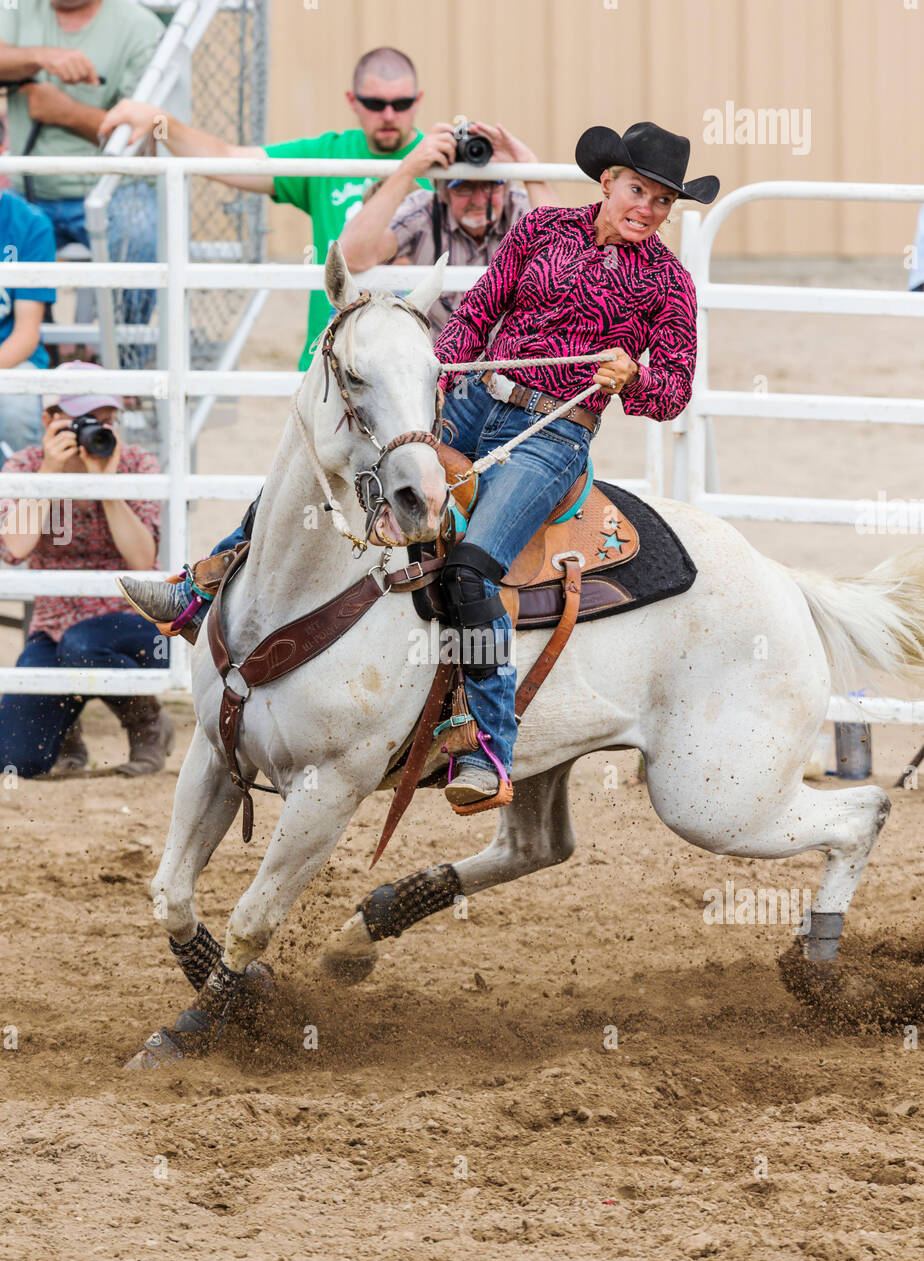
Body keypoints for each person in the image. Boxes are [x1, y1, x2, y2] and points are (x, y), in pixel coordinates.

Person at [117, 122, 717, 812]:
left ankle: (489, 742)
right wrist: (431, 381)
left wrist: (630, 377)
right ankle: (203, 584)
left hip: (552, 436)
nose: (647, 209)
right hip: (471, 398)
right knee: (331, 465)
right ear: (609, 182)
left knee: (472, 567)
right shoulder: (542, 229)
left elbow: (672, 393)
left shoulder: (668, 284)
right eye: (638, 190)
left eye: (662, 202)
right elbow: (477, 314)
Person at [100, 46, 432, 371]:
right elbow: (227, 161)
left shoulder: (443, 164)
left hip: (416, 356)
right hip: (333, 361)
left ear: (417, 101)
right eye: (375, 104)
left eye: (401, 104)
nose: (389, 115)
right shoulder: (329, 154)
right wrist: (162, 123)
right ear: (352, 101)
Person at [0, 362, 172, 778]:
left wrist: (107, 486)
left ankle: (148, 722)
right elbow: (14, 549)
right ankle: (66, 728)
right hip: (56, 625)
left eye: (107, 420)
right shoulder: (24, 468)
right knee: (15, 760)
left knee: (83, 644)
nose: (98, 430)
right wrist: (49, 475)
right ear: (50, 420)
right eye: (85, 421)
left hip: (137, 621)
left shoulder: (135, 464)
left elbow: (141, 560)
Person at [0, 0, 165, 367]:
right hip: (25, 190)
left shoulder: (139, 27)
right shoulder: (15, 8)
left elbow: (153, 135)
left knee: (141, 230)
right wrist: (43, 57)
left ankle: (123, 365)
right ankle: (38, 353)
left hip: (112, 191)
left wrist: (68, 114)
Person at [339, 119, 558, 337]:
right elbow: (353, 257)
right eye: (463, 188)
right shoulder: (425, 210)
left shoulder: (519, 208)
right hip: (441, 363)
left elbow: (567, 260)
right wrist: (407, 169)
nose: (480, 199)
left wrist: (529, 166)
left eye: (491, 186)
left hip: (508, 364)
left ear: (507, 187)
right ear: (443, 193)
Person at [0, 189, 56, 452]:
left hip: (10, 358)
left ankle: (15, 492)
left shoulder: (29, 222)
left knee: (16, 408)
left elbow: (26, 335)